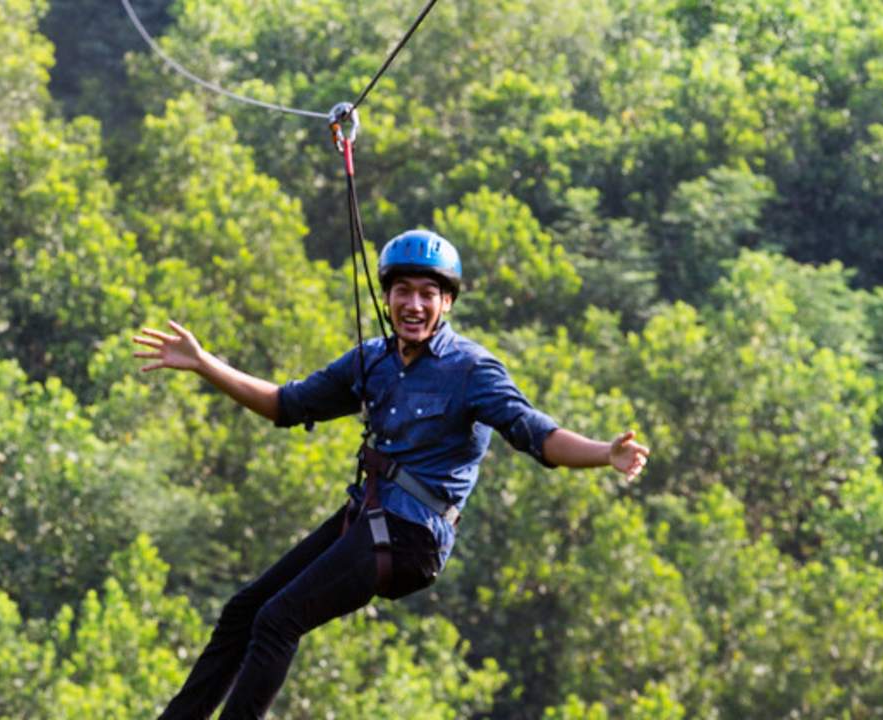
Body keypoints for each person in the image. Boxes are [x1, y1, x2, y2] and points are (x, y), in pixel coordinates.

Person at [133, 229, 650, 719]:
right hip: (368, 518)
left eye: (428, 294)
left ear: (447, 303)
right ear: (386, 298)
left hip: (412, 538)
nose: (414, 305)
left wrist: (603, 453)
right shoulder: (372, 361)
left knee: (277, 619)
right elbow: (285, 405)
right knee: (244, 612)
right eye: (403, 291)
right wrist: (204, 363)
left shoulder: (471, 370)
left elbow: (538, 435)